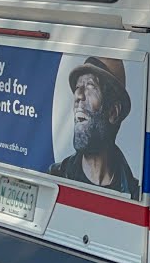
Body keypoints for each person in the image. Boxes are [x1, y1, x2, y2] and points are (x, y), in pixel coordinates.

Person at [49, 56, 141, 199]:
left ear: (113, 112)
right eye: (78, 87)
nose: (78, 95)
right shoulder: (57, 174)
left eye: (90, 86)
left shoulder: (133, 193)